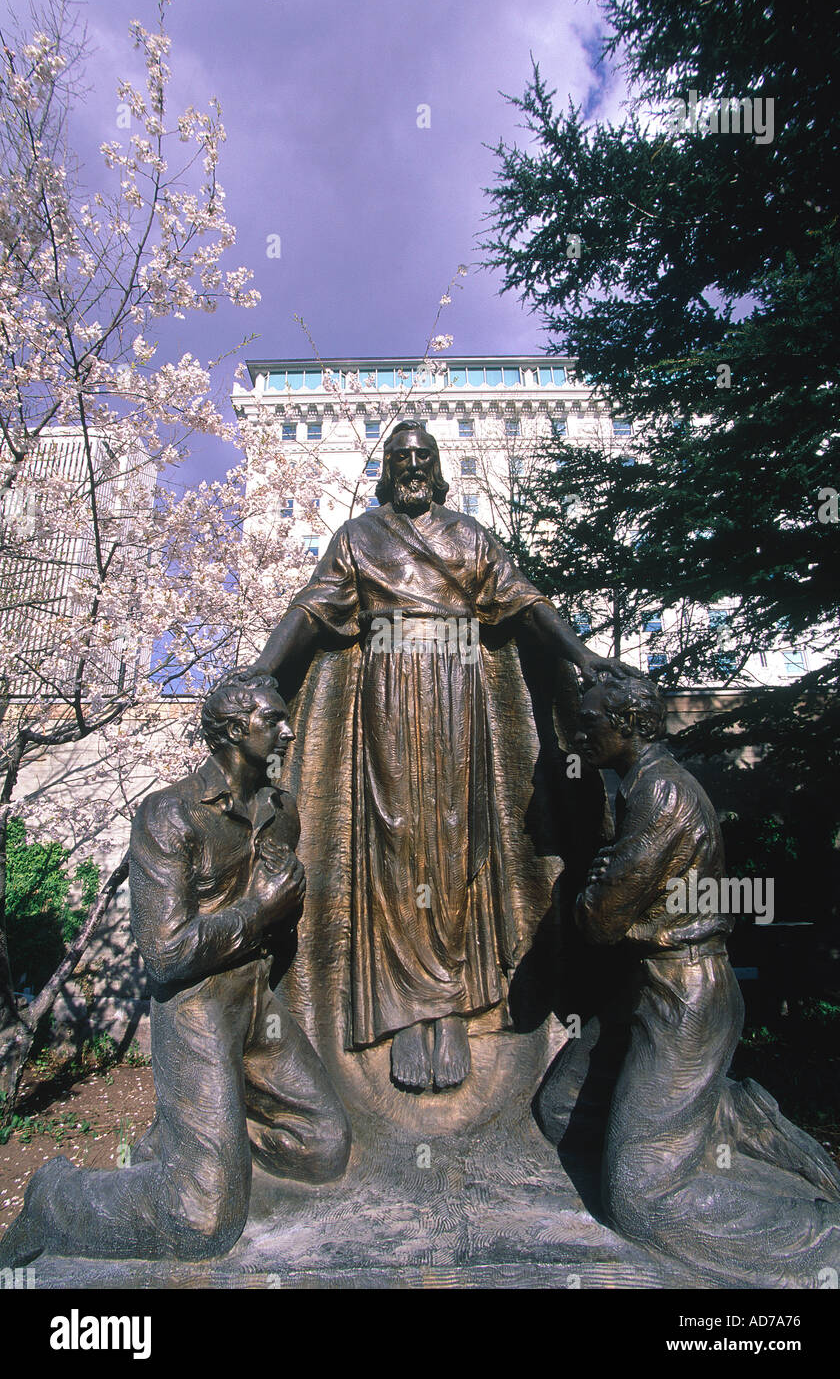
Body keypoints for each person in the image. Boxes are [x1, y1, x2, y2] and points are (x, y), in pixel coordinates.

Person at [252, 420, 628, 1093]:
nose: (413, 467)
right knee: (394, 841)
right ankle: (401, 1014)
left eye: (423, 457)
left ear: (438, 466)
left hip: (458, 694)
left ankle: (449, 1008)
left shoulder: (469, 536)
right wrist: (260, 670)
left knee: (457, 839)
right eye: (401, 458)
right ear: (387, 468)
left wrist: (583, 656)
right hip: (389, 694)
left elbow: (527, 601)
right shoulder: (357, 538)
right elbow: (310, 609)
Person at [0, 672, 350, 1266]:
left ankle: (194, 1148)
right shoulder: (169, 815)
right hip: (197, 1011)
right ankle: (56, 1199)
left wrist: (285, 904)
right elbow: (164, 953)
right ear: (236, 732)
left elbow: (282, 911)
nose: (290, 732)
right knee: (203, 1223)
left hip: (256, 1005)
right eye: (276, 721)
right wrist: (259, 910)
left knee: (322, 1146)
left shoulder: (279, 809)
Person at [548, 672, 840, 1286]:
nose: (579, 731)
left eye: (590, 721)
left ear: (630, 724)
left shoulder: (661, 796)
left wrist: (590, 888)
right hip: (636, 990)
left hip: (681, 996)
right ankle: (721, 1114)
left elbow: (601, 922)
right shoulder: (632, 787)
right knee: (561, 1109)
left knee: (641, 1201)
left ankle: (826, 1235)